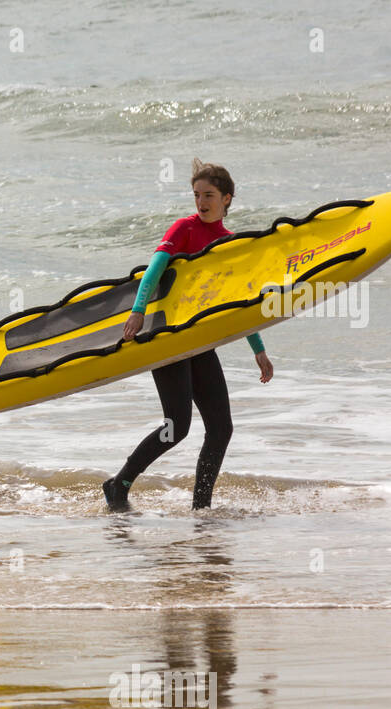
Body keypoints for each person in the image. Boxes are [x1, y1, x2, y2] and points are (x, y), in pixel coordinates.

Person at [102, 159, 274, 512]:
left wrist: (258, 349)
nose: (201, 202)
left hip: (198, 341)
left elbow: (239, 301)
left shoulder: (230, 243)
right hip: (166, 335)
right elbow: (153, 272)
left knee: (221, 428)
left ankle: (201, 508)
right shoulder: (184, 228)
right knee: (177, 426)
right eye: (196, 195)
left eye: (209, 195)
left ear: (227, 198)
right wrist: (138, 310)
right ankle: (118, 484)